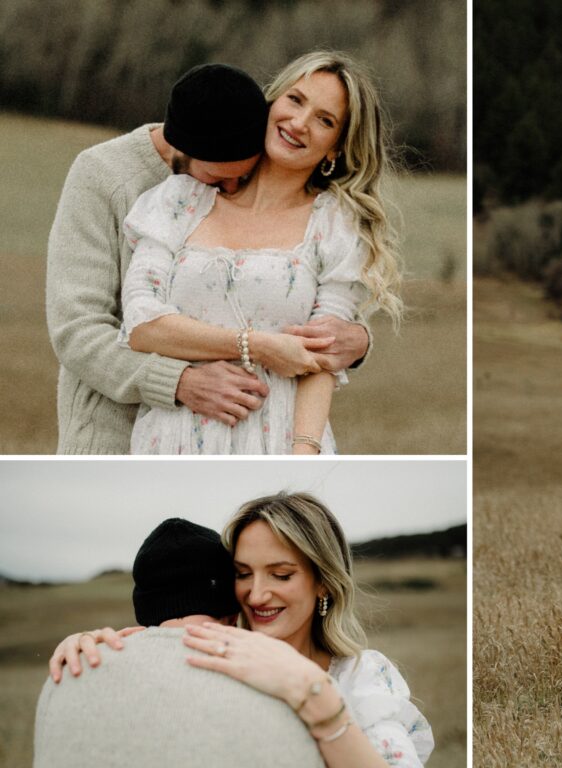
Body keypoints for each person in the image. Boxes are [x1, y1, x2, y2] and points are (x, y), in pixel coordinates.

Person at [45, 62, 370, 454]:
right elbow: (77, 330)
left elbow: (297, 306)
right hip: (112, 438)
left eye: (323, 119)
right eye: (220, 181)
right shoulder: (111, 177)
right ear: (184, 150)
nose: (230, 188)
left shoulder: (237, 146)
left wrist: (359, 340)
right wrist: (181, 380)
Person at [117, 51, 402, 453]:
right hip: (172, 437)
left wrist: (304, 454)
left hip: (279, 437)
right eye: (295, 100)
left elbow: (321, 359)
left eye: (325, 120)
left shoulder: (335, 225)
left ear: (336, 148)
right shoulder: (180, 199)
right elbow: (143, 326)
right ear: (272, 102)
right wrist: (258, 346)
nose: (299, 123)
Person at [48, 493, 434, 767]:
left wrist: (311, 693)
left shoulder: (362, 676)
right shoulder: (218, 656)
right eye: (242, 574)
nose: (257, 594)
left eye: (281, 574)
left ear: (324, 583)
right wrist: (96, 648)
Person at [35, 517, 324, 767]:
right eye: (245, 575)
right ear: (233, 609)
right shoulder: (283, 688)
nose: (258, 596)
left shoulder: (67, 673)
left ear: (144, 611)